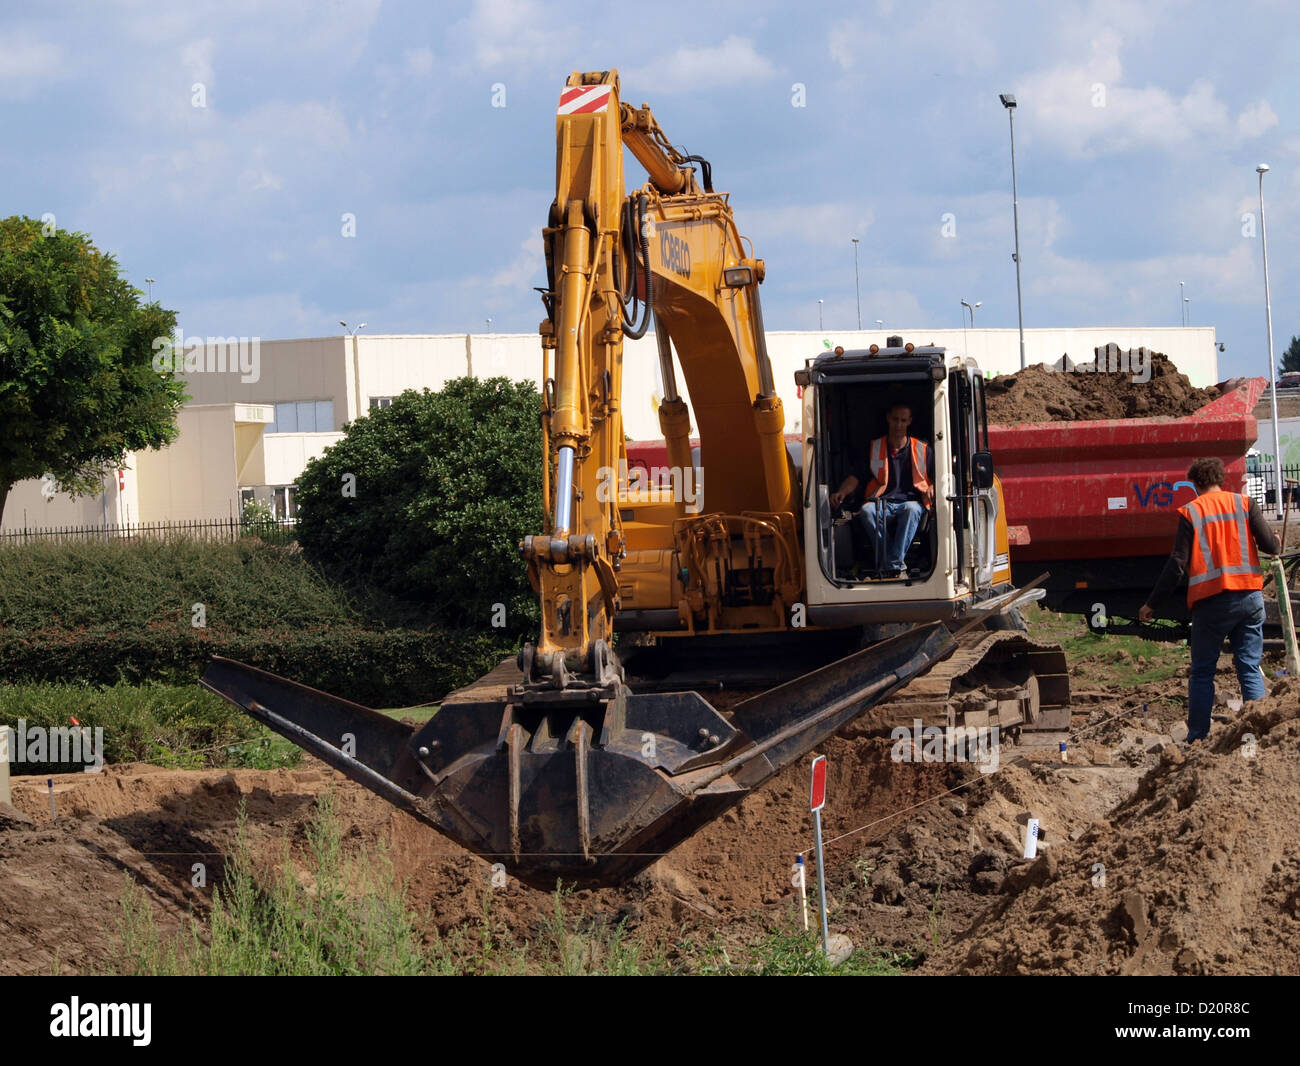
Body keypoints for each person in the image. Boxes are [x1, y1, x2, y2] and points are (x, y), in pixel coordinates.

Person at [1139, 456, 1280, 744]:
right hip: (1250, 599)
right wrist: (1276, 541)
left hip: (1211, 604)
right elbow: (1269, 546)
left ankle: (1197, 740)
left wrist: (1152, 604)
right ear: (1220, 479)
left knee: (1203, 673)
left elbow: (1177, 564)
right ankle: (1260, 735)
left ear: (1195, 484)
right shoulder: (1243, 504)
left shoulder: (1191, 512)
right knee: (1249, 668)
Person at [829, 402, 935, 576]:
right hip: (879, 502)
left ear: (910, 421)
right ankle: (893, 565)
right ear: (888, 418)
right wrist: (842, 492)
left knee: (912, 510)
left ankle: (890, 565)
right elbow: (856, 477)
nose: (899, 425)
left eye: (903, 420)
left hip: (910, 502)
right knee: (866, 510)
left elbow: (938, 476)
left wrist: (932, 487)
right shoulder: (874, 448)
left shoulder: (923, 450)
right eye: (895, 419)